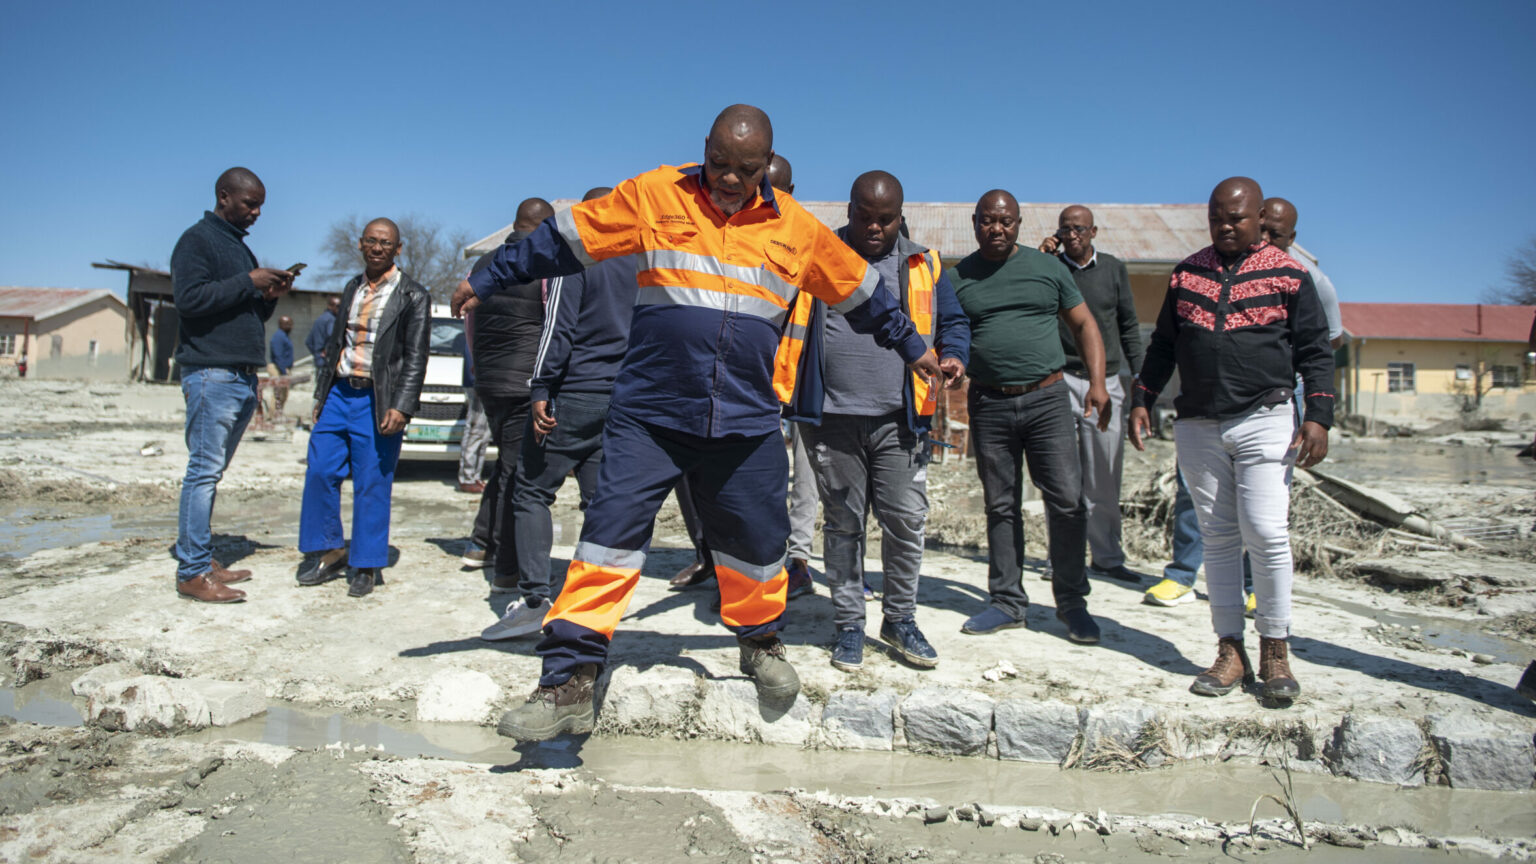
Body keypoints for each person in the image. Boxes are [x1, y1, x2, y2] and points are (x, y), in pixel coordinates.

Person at [454, 104, 939, 741]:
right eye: (719, 164)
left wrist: (915, 349)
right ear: (703, 148)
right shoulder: (655, 195)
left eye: (746, 169)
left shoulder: (797, 229)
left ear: (768, 165)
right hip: (649, 413)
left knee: (759, 544)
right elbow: (563, 239)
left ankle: (760, 644)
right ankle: (568, 680)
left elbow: (865, 294)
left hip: (746, 419)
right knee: (607, 540)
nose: (730, 180)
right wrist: (487, 276)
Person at [1130, 177, 1334, 702]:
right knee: (1218, 539)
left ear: (1257, 218)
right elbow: (1163, 346)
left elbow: (1315, 349)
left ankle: (1275, 649)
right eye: (1217, 217)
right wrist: (1142, 400)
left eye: (1236, 218)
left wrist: (1319, 416)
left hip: (1265, 416)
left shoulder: (1290, 274)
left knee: (1265, 531)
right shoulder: (1186, 274)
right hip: (1198, 423)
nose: (1225, 225)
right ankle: (1229, 651)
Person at [778, 170, 970, 671]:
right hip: (832, 419)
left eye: (886, 220)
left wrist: (956, 356)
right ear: (849, 210)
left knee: (906, 521)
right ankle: (848, 626)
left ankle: (900, 618)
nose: (875, 228)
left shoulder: (921, 263)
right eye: (866, 217)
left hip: (900, 420)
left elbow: (952, 323)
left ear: (900, 217)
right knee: (843, 525)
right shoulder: (819, 256)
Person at [950, 190, 1111, 644]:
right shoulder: (958, 277)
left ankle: (1072, 603)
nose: (996, 229)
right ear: (975, 221)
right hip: (989, 402)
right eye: (987, 221)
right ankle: (1006, 602)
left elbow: (1084, 325)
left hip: (1047, 400)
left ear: (1018, 223)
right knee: (1000, 504)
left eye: (1005, 221)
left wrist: (1098, 384)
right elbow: (947, 332)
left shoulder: (1048, 268)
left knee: (1066, 500)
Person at [482, 187, 636, 640]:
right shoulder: (642, 263)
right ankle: (598, 597)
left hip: (573, 393)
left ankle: (534, 601)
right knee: (601, 501)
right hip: (621, 398)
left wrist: (540, 387)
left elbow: (557, 329)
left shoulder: (576, 257)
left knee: (531, 490)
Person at [669, 154, 818, 601]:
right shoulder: (726, 237)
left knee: (768, 494)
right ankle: (713, 560)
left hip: (785, 389)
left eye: (781, 189)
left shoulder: (803, 240)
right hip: (725, 385)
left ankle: (788, 569)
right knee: (704, 482)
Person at [169, 166, 294, 602]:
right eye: (250, 203)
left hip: (239, 377)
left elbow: (240, 311)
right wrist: (247, 282)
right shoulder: (196, 241)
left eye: (261, 205)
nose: (257, 212)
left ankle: (201, 559)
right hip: (211, 374)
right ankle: (191, 572)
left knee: (211, 472)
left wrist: (265, 296)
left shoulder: (241, 250)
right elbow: (188, 301)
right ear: (225, 196)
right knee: (202, 473)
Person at [296, 218, 431, 597]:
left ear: (398, 249)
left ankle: (367, 564)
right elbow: (337, 345)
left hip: (379, 399)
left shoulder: (413, 296)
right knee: (321, 469)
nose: (377, 248)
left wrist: (402, 406)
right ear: (360, 244)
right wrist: (321, 398)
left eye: (385, 243)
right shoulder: (351, 288)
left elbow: (416, 358)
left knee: (372, 481)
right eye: (371, 241)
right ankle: (332, 549)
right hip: (340, 392)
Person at [1037, 206, 1144, 584]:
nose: (1072, 235)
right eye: (1065, 229)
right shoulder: (1049, 267)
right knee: (1063, 478)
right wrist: (1040, 255)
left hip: (1106, 381)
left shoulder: (1113, 269)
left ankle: (1108, 557)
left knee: (1105, 477)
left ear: (1094, 231)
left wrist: (1141, 381)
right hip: (1060, 380)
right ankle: (1061, 558)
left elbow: (1129, 325)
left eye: (1079, 229)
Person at [458, 198, 554, 588]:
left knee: (505, 466)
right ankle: (507, 569)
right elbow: (552, 327)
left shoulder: (483, 266)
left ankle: (481, 543)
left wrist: (480, 369)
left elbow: (468, 325)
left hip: (489, 384)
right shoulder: (543, 266)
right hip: (523, 387)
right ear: (546, 228)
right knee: (520, 475)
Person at [268, 315, 294, 421]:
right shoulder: (278, 337)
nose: (290, 326)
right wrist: (283, 371)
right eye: (287, 324)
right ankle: (272, 416)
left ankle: (279, 414)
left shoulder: (285, 336)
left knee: (284, 393)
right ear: (281, 325)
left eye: (291, 324)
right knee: (278, 393)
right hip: (277, 368)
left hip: (283, 367)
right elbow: (278, 355)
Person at [305, 296, 340, 367]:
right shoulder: (331, 319)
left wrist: (317, 354)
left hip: (319, 360)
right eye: (338, 306)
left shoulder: (320, 319)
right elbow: (332, 337)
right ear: (330, 306)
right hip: (327, 361)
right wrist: (327, 352)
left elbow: (308, 341)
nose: (340, 309)